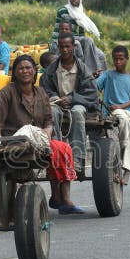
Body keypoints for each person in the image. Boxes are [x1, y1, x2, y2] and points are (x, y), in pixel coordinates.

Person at [0, 54, 84, 214]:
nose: (25, 71)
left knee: (63, 148)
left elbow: (48, 120)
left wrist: (47, 131)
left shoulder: (41, 93)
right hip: (14, 140)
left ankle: (62, 197)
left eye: (28, 68)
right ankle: (7, 204)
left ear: (34, 71)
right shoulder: (7, 93)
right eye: (21, 68)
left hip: (38, 139)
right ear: (15, 73)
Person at [40, 32, 99, 178]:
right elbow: (44, 88)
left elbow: (91, 94)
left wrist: (72, 99)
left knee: (77, 113)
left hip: (77, 104)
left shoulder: (83, 69)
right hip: (57, 103)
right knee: (52, 111)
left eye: (67, 46)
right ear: (58, 48)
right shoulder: (52, 69)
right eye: (62, 47)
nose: (65, 50)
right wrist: (54, 97)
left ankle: (77, 161)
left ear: (73, 47)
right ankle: (57, 157)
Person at [96, 45, 130, 185]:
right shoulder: (108, 75)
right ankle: (123, 149)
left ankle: (126, 170)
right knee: (121, 118)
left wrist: (121, 106)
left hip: (128, 111)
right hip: (112, 111)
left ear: (127, 59)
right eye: (115, 59)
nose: (118, 62)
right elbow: (95, 86)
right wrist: (94, 76)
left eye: (121, 59)